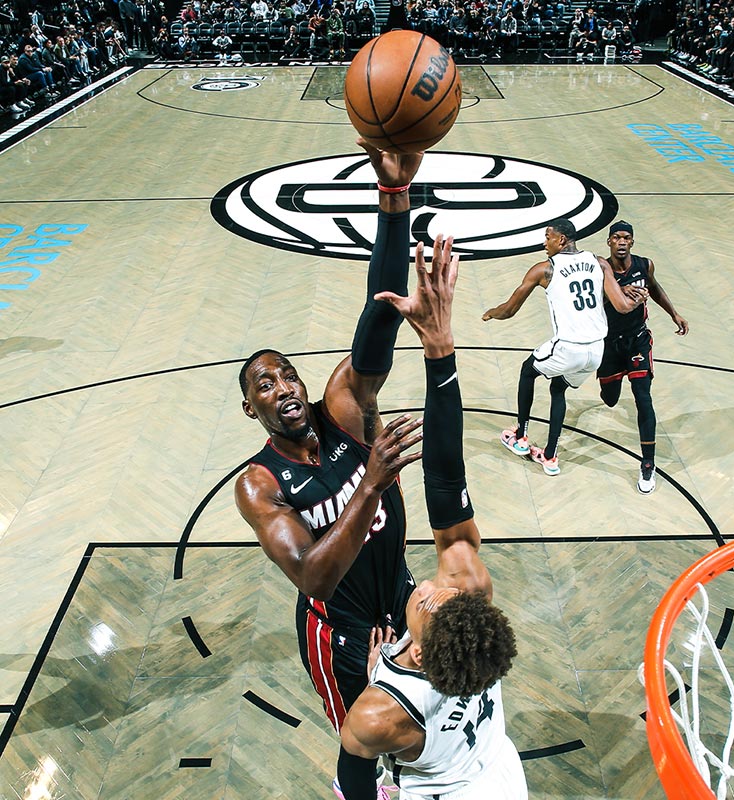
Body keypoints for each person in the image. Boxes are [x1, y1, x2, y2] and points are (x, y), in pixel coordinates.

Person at [235, 143, 424, 793]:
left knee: (421, 705)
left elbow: (381, 318)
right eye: (265, 385)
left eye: (286, 373)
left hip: (396, 588)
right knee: (358, 740)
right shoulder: (260, 483)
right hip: (337, 628)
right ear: (250, 407)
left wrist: (393, 200)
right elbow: (314, 576)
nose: (284, 387)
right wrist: (370, 483)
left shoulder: (342, 408)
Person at [338, 231, 526, 800]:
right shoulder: (468, 601)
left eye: (431, 604)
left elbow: (355, 785)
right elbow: (446, 481)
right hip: (498, 768)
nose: (439, 590)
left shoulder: (375, 717)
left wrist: (380, 679)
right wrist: (439, 347)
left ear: (417, 651)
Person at [482, 218, 648, 475]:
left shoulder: (544, 269)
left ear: (561, 240)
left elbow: (510, 310)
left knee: (528, 371)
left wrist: (492, 312)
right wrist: (638, 301)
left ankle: (521, 437)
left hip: (569, 347)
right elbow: (622, 307)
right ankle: (550, 457)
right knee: (558, 388)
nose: (544, 242)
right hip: (596, 352)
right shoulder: (599, 262)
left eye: (547, 237)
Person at [597, 221, 688, 494]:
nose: (622, 242)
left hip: (637, 339)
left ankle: (648, 463)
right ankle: (610, 385)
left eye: (626, 238)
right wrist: (617, 292)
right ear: (609, 242)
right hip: (609, 343)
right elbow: (593, 297)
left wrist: (674, 313)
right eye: (616, 238)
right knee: (610, 399)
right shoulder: (600, 269)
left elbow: (656, 288)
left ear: (632, 242)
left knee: (643, 397)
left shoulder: (644, 265)